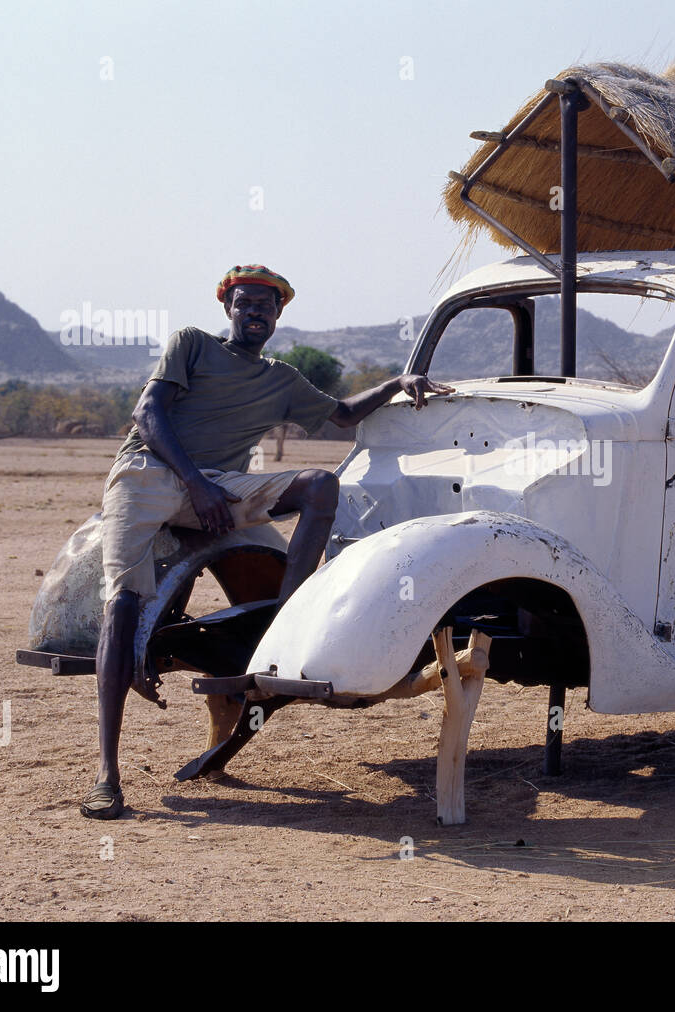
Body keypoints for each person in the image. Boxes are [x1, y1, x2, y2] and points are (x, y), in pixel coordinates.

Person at [81, 265, 453, 819]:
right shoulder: (192, 345)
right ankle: (107, 774)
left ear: (279, 315)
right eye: (244, 304)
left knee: (320, 486)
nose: (255, 313)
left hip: (220, 487)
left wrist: (398, 384)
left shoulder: (282, 379)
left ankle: (285, 619)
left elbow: (344, 415)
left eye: (266, 306)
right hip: (150, 473)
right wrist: (196, 484)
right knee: (124, 602)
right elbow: (147, 413)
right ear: (228, 308)